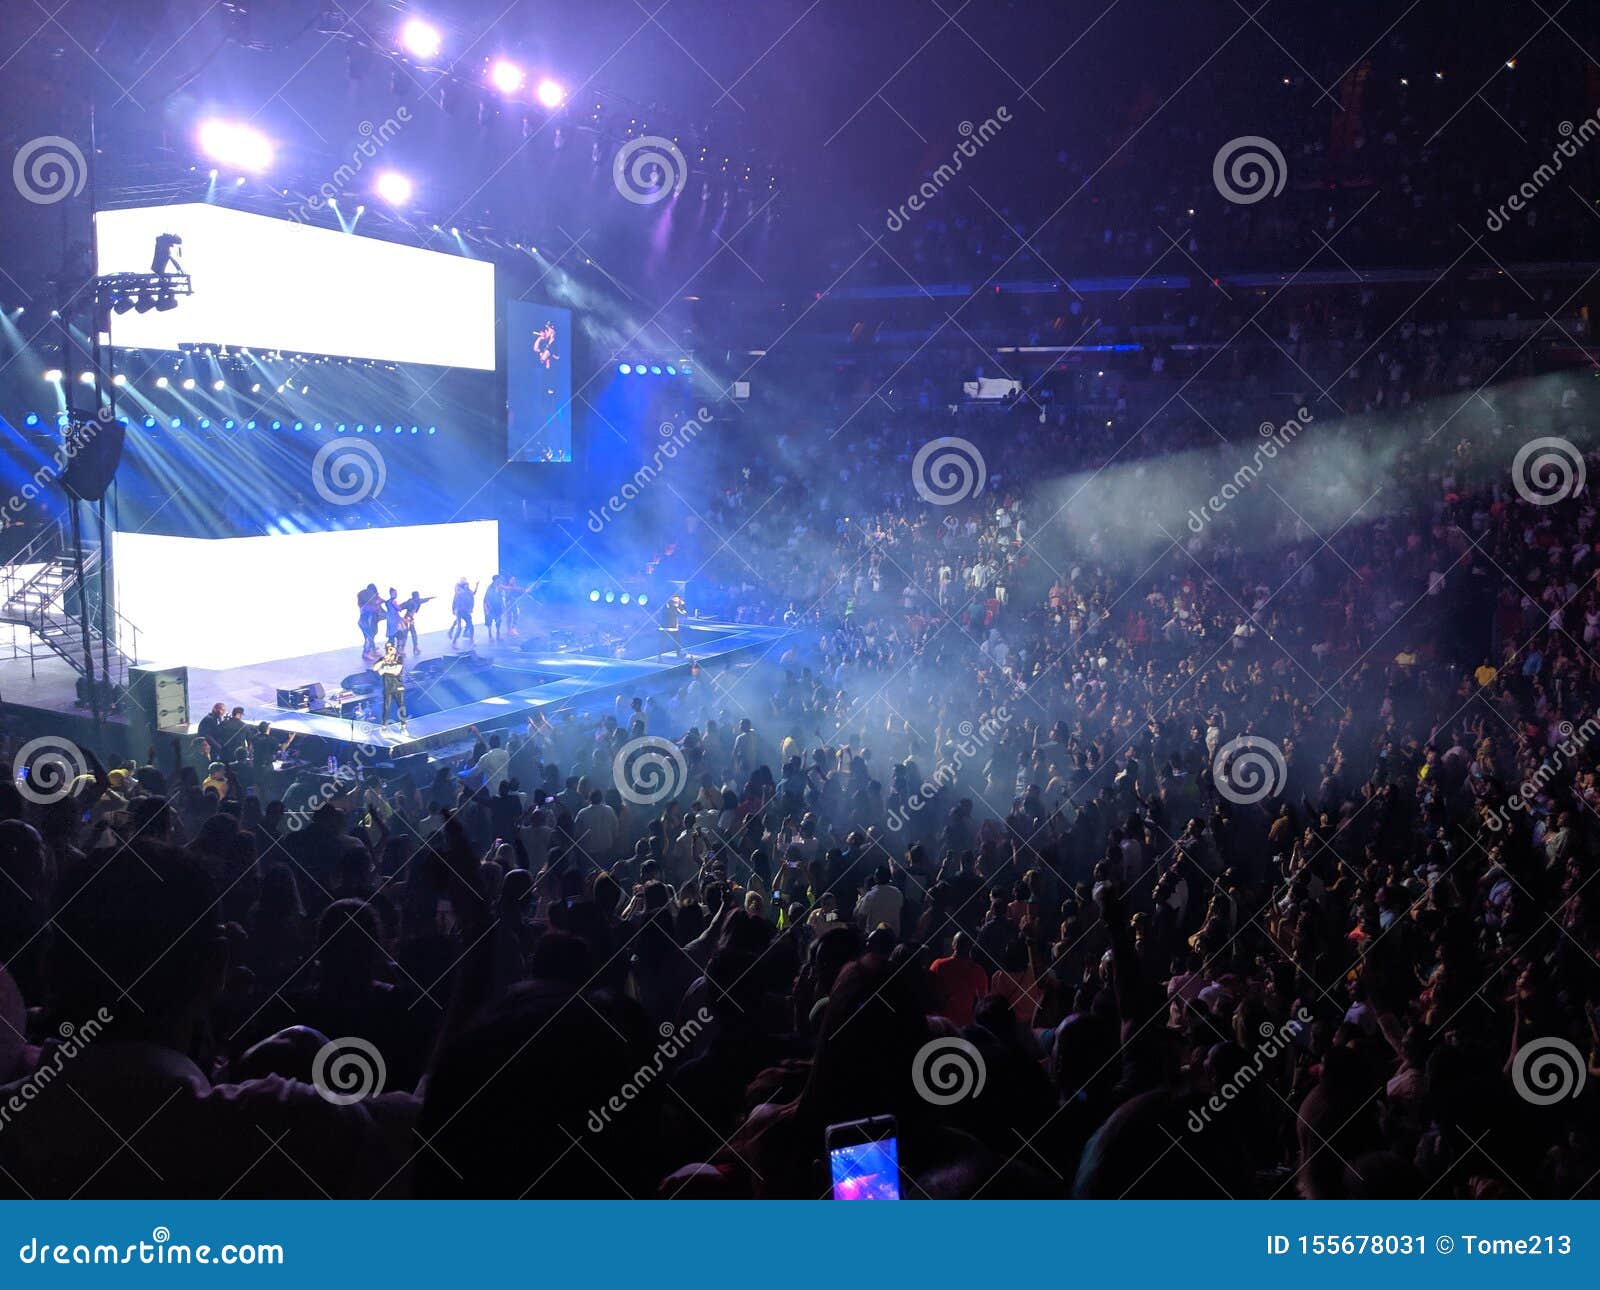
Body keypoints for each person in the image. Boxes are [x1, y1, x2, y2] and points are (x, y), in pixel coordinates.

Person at [929, 932, 989, 1026]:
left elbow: (929, 989)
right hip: (965, 1023)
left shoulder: (939, 965)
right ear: (971, 947)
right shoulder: (978, 970)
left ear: (954, 945)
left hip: (941, 1021)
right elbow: (983, 1000)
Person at [374, 641, 407, 732]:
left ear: (394, 649)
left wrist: (384, 670)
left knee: (401, 706)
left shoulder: (399, 658)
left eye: (391, 648)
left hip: (398, 686)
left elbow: (397, 671)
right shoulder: (383, 659)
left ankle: (403, 725)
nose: (389, 650)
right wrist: (383, 661)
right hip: (387, 687)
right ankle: (384, 726)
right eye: (387, 649)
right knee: (386, 707)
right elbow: (375, 668)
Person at [449, 578, 478, 648]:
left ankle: (471, 641)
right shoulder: (459, 590)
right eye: (465, 584)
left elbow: (473, 593)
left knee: (471, 625)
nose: (467, 585)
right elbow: (457, 599)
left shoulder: (467, 591)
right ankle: (453, 642)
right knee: (459, 627)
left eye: (467, 584)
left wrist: (477, 586)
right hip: (459, 610)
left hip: (465, 611)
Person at [657, 592, 687, 660]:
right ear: (672, 598)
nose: (676, 599)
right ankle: (659, 656)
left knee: (677, 641)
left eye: (677, 598)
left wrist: (682, 605)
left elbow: (684, 613)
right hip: (666, 627)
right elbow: (673, 612)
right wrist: (679, 606)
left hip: (673, 627)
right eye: (675, 598)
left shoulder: (677, 606)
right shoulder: (668, 604)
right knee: (662, 642)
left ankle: (678, 654)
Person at [357, 583, 382, 656]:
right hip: (365, 622)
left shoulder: (370, 601)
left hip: (368, 621)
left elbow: (379, 610)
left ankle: (372, 650)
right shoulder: (366, 604)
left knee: (371, 636)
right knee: (369, 636)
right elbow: (373, 609)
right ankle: (366, 653)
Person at [483, 574, 505, 644]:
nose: (500, 580)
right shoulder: (490, 588)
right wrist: (487, 609)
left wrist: (503, 606)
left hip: (498, 607)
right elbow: (486, 599)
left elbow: (501, 598)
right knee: (489, 621)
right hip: (490, 607)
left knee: (498, 621)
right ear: (495, 580)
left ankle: (498, 635)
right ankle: (490, 636)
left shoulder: (500, 587)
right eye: (499, 579)